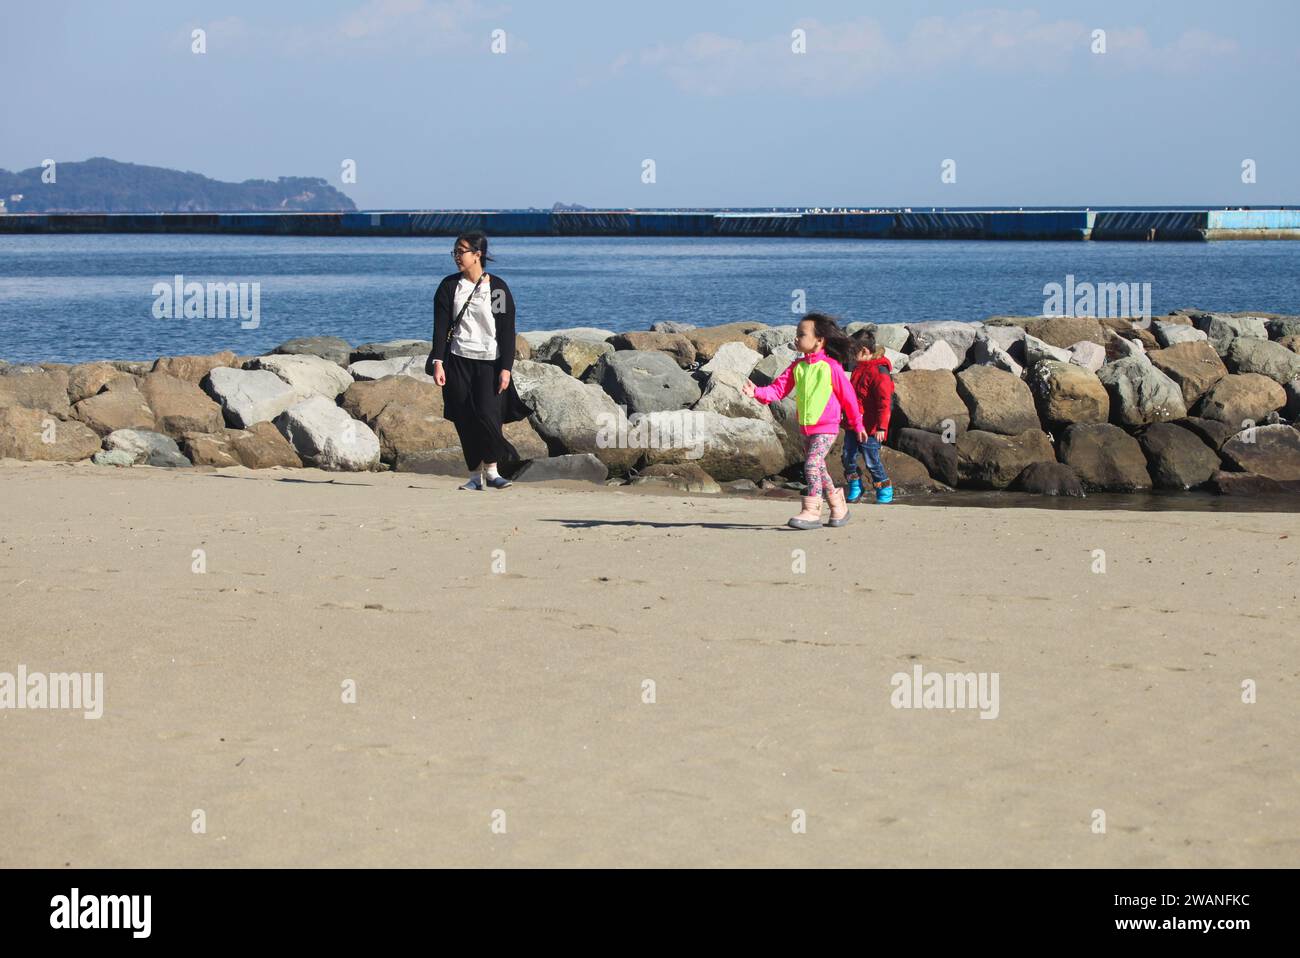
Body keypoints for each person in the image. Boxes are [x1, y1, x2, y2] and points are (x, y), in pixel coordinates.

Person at [426, 231, 532, 490]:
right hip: (457, 360)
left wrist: (506, 368)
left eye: (461, 252)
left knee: (488, 416)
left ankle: (494, 471)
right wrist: (438, 362)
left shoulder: (495, 288)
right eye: (455, 252)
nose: (457, 258)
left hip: (490, 362)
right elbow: (440, 328)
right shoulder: (450, 287)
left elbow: (507, 331)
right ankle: (475, 476)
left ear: (478, 254)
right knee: (464, 419)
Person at [741, 314, 865, 529]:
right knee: (819, 468)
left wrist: (858, 424)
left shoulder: (831, 367)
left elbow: (849, 398)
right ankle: (839, 507)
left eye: (801, 334)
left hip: (827, 427)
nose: (796, 339)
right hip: (806, 428)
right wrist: (757, 393)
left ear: (820, 340)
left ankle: (812, 510)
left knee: (811, 465)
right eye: (796, 334)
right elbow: (777, 389)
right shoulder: (797, 366)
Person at [843, 329, 894, 504]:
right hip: (853, 423)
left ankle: (884, 487)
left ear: (865, 351)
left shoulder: (880, 373)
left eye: (852, 353)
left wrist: (882, 427)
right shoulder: (859, 367)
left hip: (871, 427)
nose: (850, 357)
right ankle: (856, 486)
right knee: (847, 457)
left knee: (871, 460)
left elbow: (884, 402)